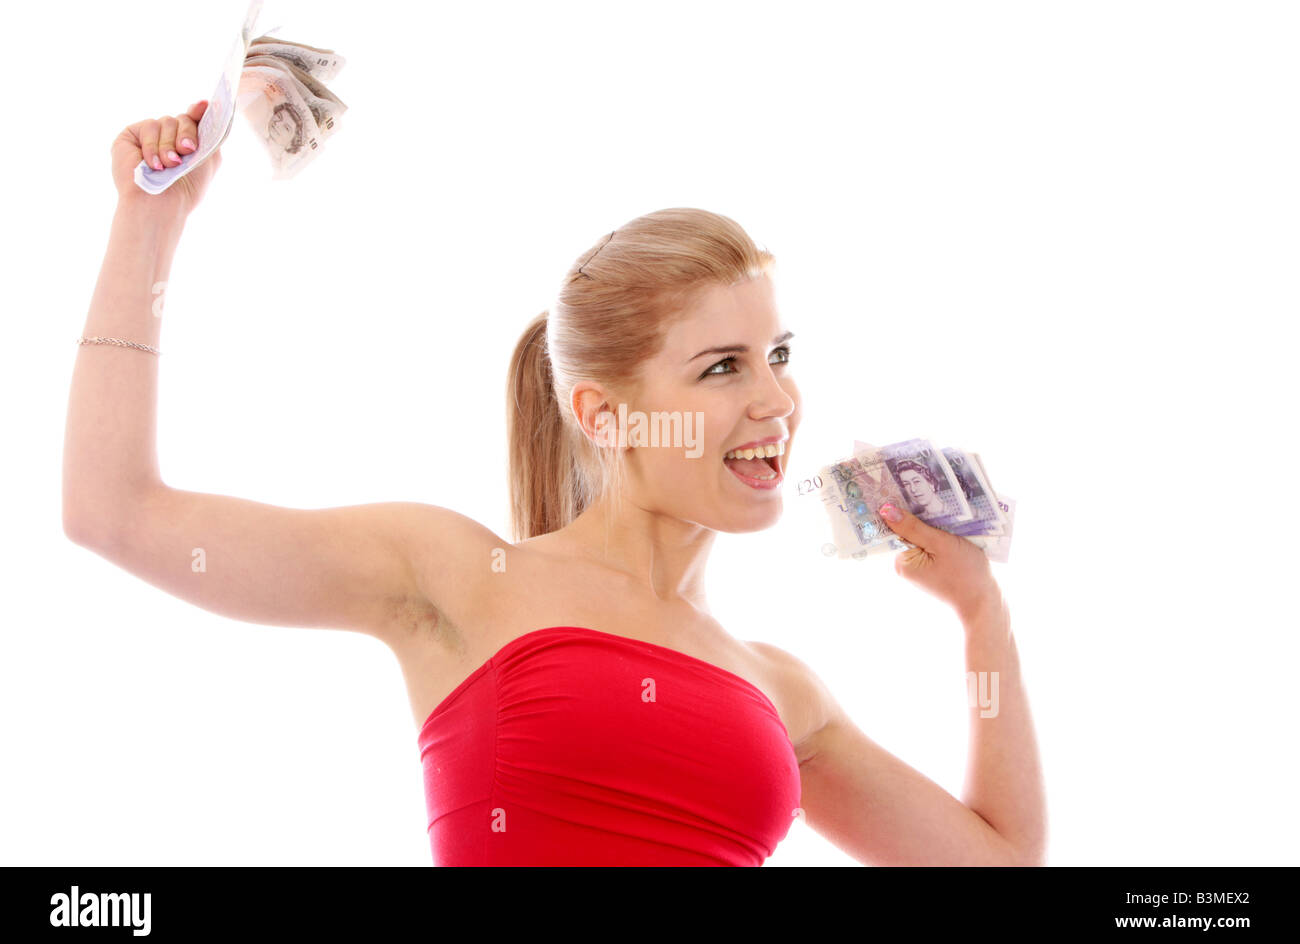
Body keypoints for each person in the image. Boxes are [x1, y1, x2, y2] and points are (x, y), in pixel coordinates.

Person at [63, 101, 1046, 866]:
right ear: (601, 412)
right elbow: (114, 512)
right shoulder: (451, 572)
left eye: (778, 352)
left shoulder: (781, 688)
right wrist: (148, 220)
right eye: (721, 366)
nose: (777, 398)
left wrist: (981, 612)